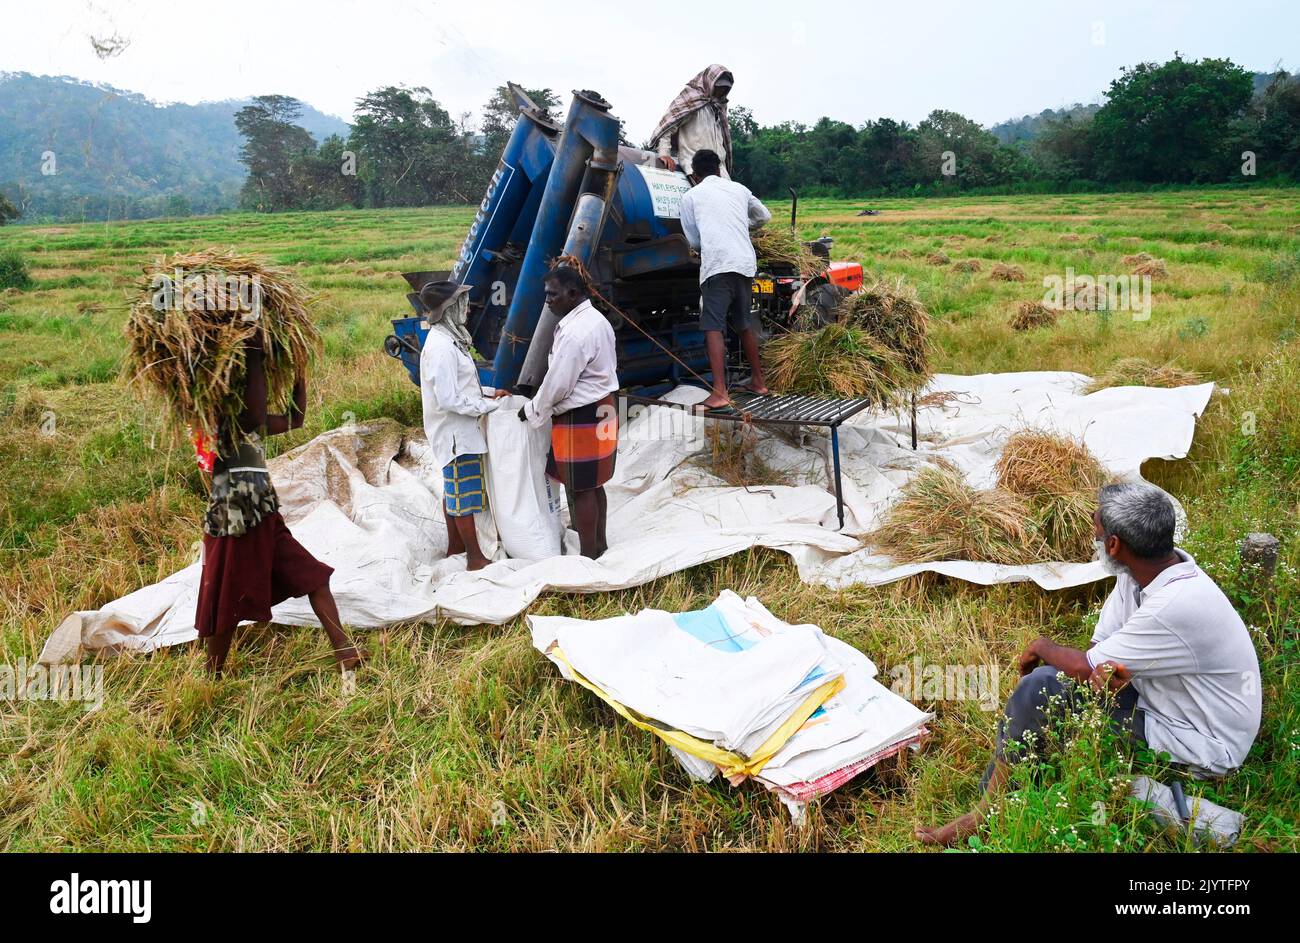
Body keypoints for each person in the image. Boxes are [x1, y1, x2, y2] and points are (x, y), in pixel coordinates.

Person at [916, 482, 1262, 846]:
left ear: (1114, 545)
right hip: (1162, 702)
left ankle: (985, 813)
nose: (1093, 534)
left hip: (1202, 742)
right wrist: (1090, 676)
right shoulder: (1145, 573)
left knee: (1041, 689)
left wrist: (1042, 646)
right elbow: (1098, 653)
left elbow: (1085, 666)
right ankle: (1014, 775)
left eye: (1096, 528)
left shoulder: (1176, 602)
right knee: (1050, 692)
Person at [194, 334, 362, 677]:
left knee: (315, 578)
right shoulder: (221, 422)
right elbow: (255, 412)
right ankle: (213, 673)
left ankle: (346, 651)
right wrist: (254, 351)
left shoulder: (246, 422)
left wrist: (299, 373)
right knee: (227, 600)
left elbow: (295, 420)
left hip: (265, 514)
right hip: (235, 519)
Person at [516, 265, 619, 559]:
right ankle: (599, 545)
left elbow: (557, 384)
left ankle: (588, 558)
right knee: (595, 483)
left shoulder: (575, 332)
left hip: (581, 413)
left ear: (573, 293)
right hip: (603, 406)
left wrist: (532, 409)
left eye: (553, 294)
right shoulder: (596, 320)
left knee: (581, 488)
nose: (547, 301)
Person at [418, 280, 511, 571]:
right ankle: (474, 558)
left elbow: (463, 385)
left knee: (453, 489)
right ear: (448, 309)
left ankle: (455, 546)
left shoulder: (451, 339)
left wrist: (489, 392)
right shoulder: (441, 348)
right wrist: (487, 407)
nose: (467, 309)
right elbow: (449, 399)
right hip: (455, 433)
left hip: (458, 430)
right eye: (462, 303)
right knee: (464, 494)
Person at [678, 148, 772, 409]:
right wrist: (741, 223)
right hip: (744, 263)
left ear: (695, 175)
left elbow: (694, 240)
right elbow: (764, 216)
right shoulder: (739, 189)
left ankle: (720, 392)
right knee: (743, 323)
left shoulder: (691, 196)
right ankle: (759, 382)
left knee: (713, 326)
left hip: (717, 265)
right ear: (719, 169)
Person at [650, 65, 735, 178]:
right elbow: (668, 126)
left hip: (718, 168)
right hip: (696, 167)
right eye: (718, 86)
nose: (721, 91)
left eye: (724, 88)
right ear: (709, 81)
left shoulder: (718, 108)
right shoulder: (691, 99)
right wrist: (664, 153)